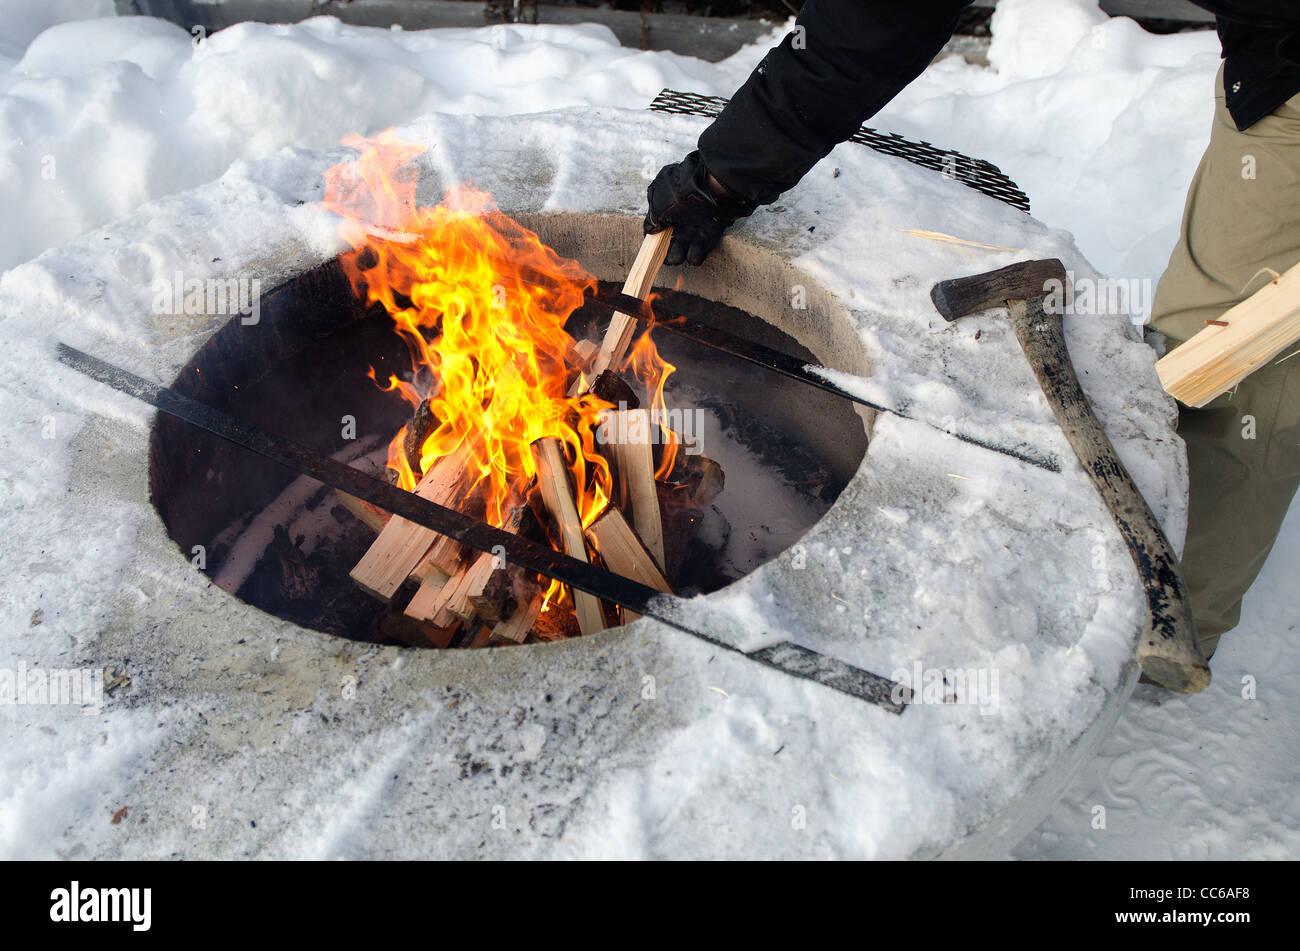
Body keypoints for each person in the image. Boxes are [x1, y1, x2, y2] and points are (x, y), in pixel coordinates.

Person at [645, 0, 1300, 665]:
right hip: (1277, 50)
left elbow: (872, 25)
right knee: (1215, 347)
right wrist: (723, 177)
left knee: (1238, 358)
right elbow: (866, 26)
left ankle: (1169, 621)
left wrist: (722, 176)